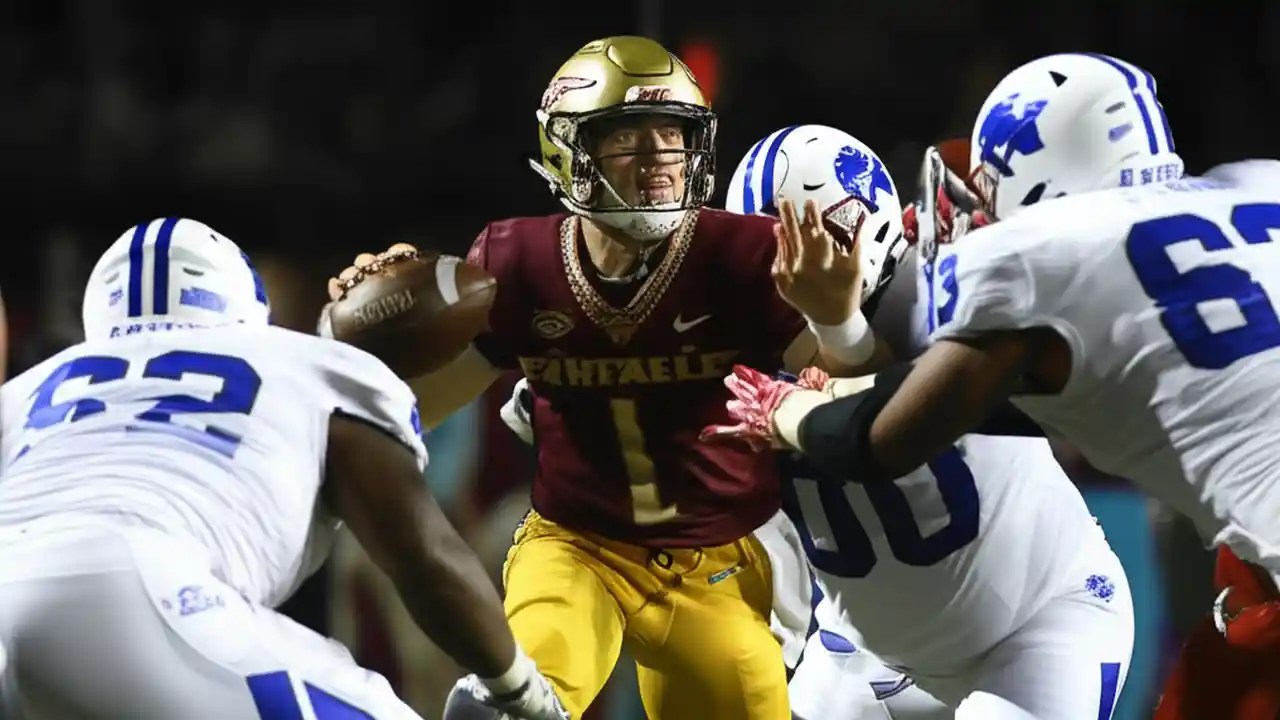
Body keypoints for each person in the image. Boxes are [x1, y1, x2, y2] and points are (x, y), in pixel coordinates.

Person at [715, 53, 1280, 718]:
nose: (971, 211)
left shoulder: (1033, 265)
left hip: (1040, 620)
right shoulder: (1257, 184)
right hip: (866, 649)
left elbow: (882, 432)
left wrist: (790, 408)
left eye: (991, 186)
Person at [329, 35, 877, 720]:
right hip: (575, 544)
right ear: (571, 152)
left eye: (673, 135)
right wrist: (359, 350)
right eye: (629, 136)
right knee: (515, 701)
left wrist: (839, 324)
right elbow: (417, 410)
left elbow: (859, 411)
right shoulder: (517, 260)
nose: (658, 158)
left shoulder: (741, 253)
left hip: (718, 557)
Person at [0, 218, 565, 720]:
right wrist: (521, 691)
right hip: (135, 594)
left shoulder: (24, 392)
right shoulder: (308, 363)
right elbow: (425, 558)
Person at [717, 125, 1134, 720]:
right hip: (863, 653)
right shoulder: (727, 335)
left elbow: (888, 407)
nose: (794, 270)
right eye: (770, 249)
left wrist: (837, 337)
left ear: (871, 226)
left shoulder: (945, 295)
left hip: (1036, 626)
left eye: (818, 241)